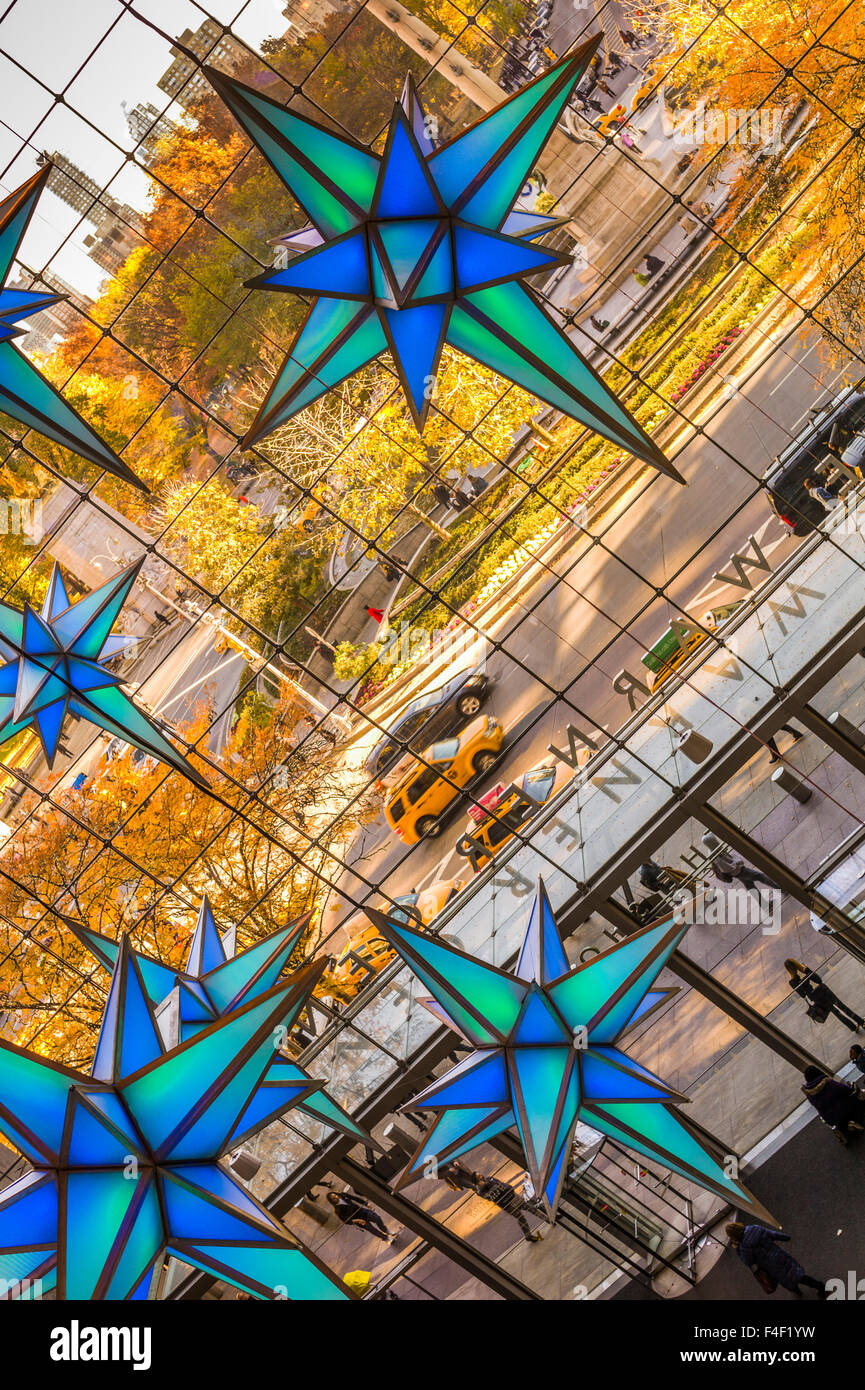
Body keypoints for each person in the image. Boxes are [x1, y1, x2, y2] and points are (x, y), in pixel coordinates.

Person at [726, 1223, 827, 1297]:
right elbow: (773, 1234)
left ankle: (810, 1288)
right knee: (796, 1274)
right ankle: (817, 1286)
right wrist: (786, 1237)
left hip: (772, 1267)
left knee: (787, 1280)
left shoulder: (743, 1248)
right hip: (780, 1256)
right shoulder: (755, 1228)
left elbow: (748, 1262)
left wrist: (738, 1250)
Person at [784, 958, 864, 1033]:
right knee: (842, 1006)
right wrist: (806, 971)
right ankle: (861, 1022)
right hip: (823, 990)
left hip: (816, 998)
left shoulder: (792, 982)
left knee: (836, 1012)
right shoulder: (804, 969)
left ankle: (853, 1027)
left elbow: (803, 995)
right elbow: (819, 980)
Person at [801, 1065, 865, 1142]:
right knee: (854, 1094)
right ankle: (853, 1120)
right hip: (844, 1110)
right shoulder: (828, 1083)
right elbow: (846, 1090)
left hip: (830, 1119)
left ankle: (844, 1126)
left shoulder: (808, 1093)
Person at [475, 1173, 543, 1243]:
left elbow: (500, 1184)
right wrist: (487, 1185)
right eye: (479, 1177)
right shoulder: (481, 1192)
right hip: (507, 1205)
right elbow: (491, 1195)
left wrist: (508, 1187)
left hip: (513, 1196)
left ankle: (548, 1219)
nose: (481, 1176)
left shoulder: (489, 1179)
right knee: (521, 1218)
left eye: (480, 1174)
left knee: (531, 1209)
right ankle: (528, 1235)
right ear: (477, 1182)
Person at [702, 836, 779, 896]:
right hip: (739, 871)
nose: (716, 840)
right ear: (711, 842)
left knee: (751, 887)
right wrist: (737, 863)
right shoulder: (716, 854)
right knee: (760, 876)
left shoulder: (712, 850)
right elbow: (725, 868)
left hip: (738, 873)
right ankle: (780, 888)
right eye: (714, 840)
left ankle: (765, 905)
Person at [327, 1190, 393, 1242]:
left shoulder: (343, 1195)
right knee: (373, 1230)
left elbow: (355, 1198)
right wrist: (357, 1221)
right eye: (334, 1198)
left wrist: (366, 1203)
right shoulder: (337, 1210)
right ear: (332, 1201)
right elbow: (346, 1221)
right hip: (359, 1220)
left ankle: (385, 1230)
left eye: (335, 1195)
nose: (336, 1197)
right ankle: (385, 1238)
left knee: (377, 1218)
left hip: (362, 1211)